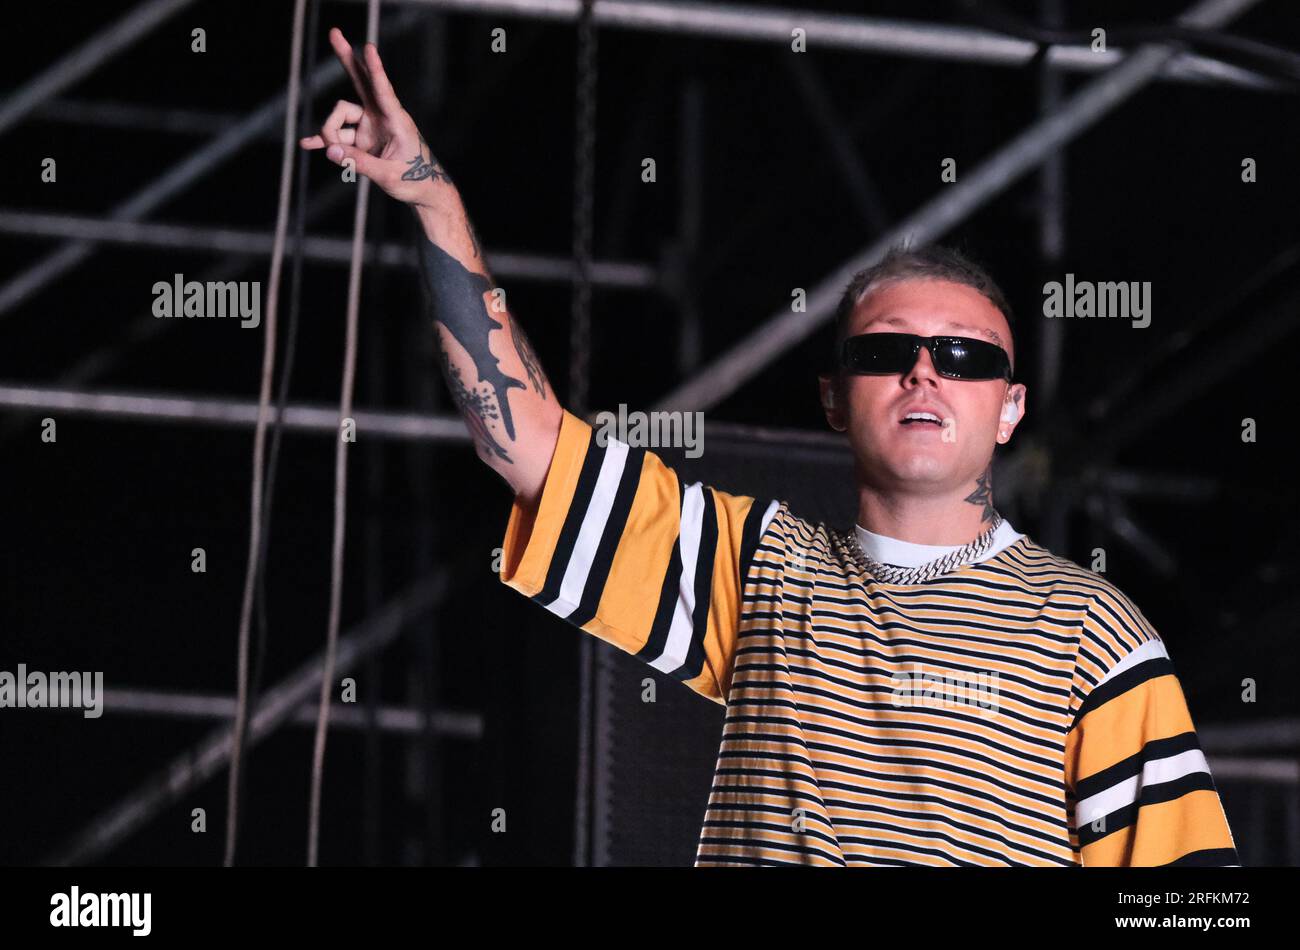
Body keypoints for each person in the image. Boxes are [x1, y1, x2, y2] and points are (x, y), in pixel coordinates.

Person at [302, 28, 1238, 866]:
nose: (924, 373)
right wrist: (429, 192)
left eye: (962, 357)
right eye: (885, 352)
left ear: (1010, 407)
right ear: (833, 400)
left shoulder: (1093, 630)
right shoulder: (758, 569)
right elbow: (527, 443)